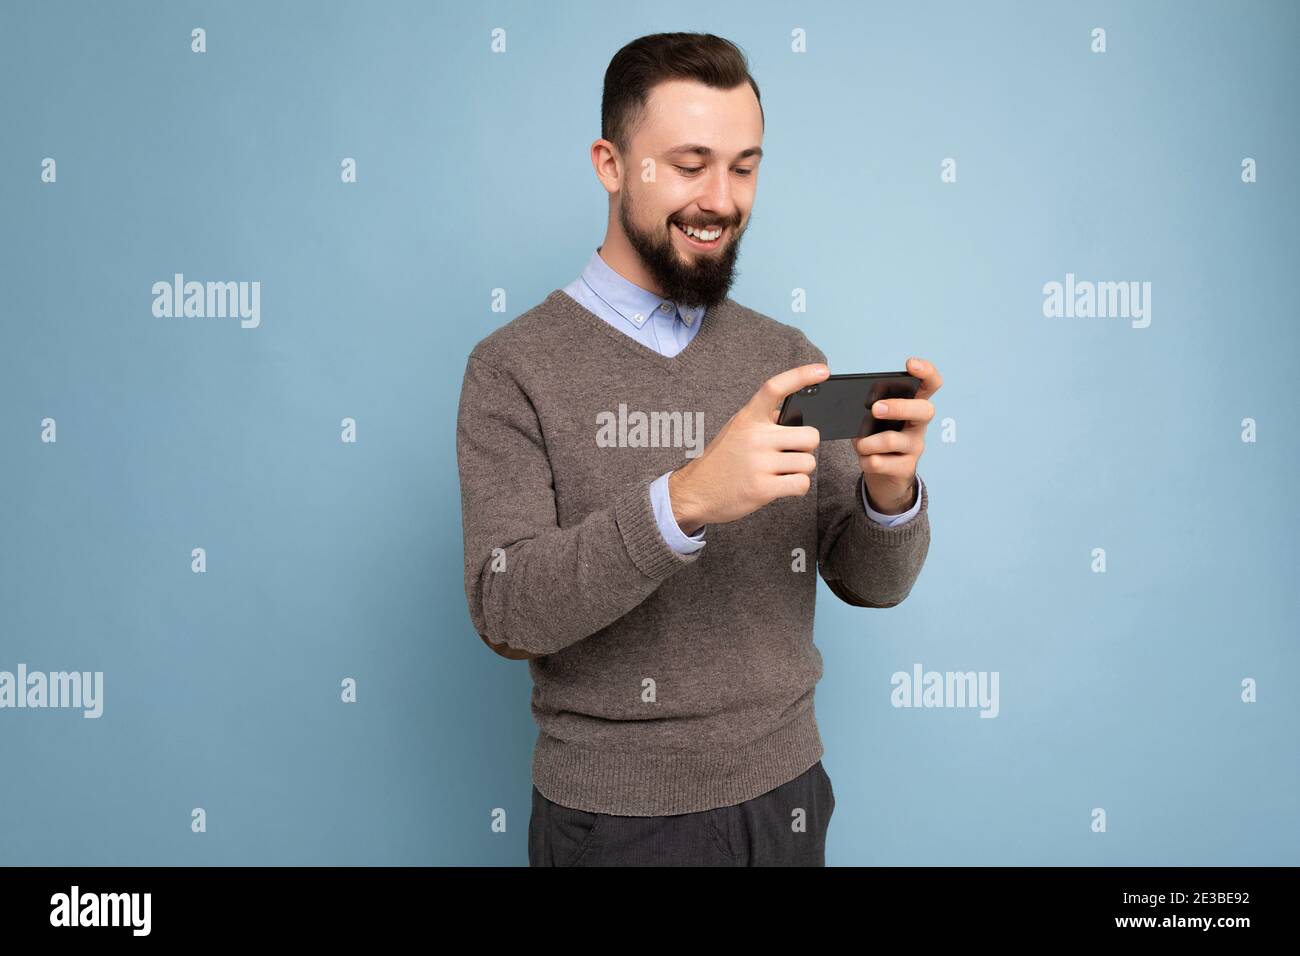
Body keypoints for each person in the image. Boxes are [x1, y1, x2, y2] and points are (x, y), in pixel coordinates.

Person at [455, 31, 941, 866]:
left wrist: (888, 498)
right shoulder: (512, 369)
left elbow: (871, 584)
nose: (721, 198)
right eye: (689, 165)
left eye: (744, 166)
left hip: (789, 796)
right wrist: (682, 504)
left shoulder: (782, 353)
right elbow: (507, 612)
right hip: (616, 823)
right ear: (611, 165)